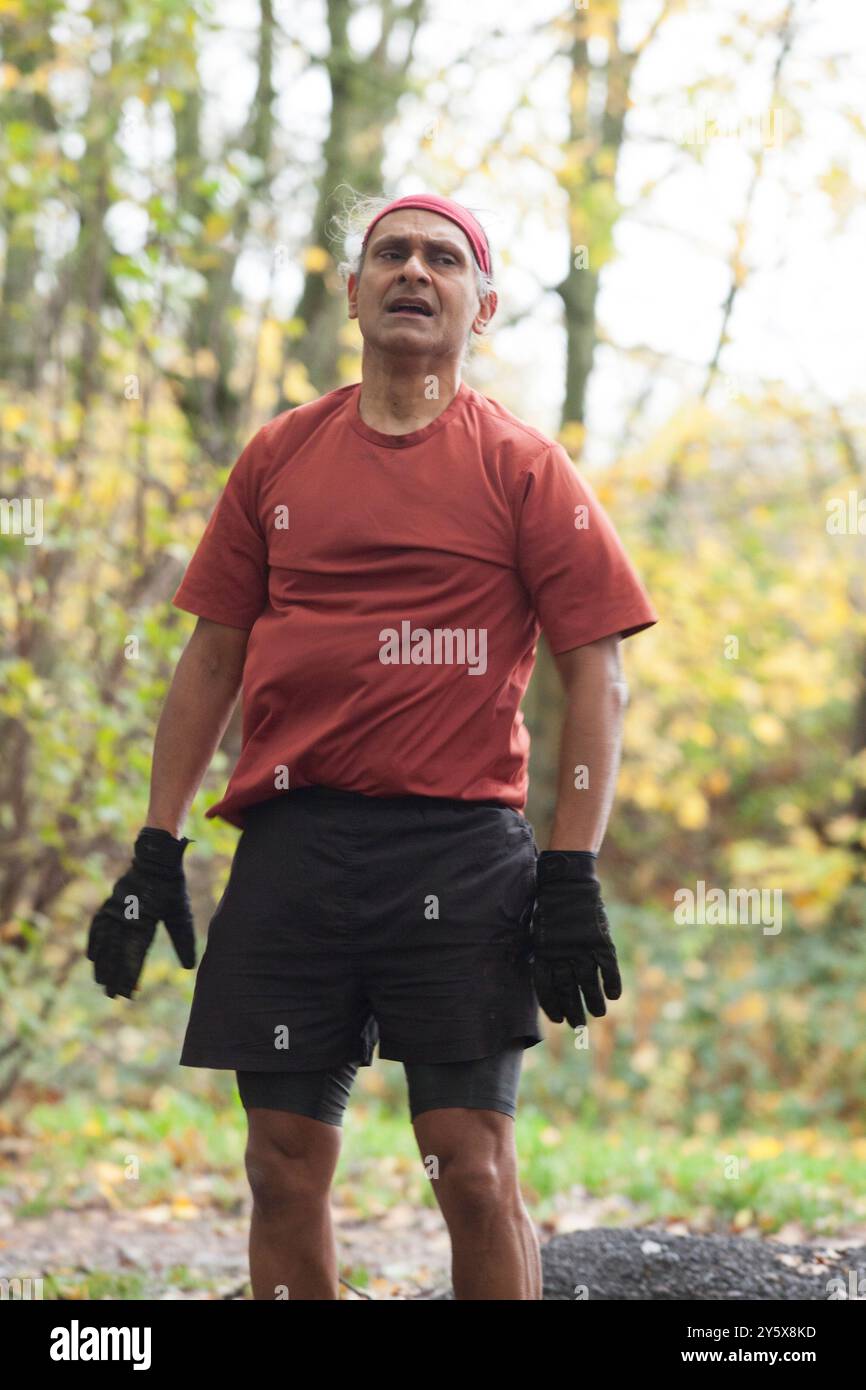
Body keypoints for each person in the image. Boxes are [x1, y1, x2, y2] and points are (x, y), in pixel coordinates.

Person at [87, 190, 659, 1301]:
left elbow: (597, 668)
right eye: (388, 253)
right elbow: (211, 657)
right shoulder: (277, 458)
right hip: (295, 849)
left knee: (472, 1165)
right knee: (281, 1163)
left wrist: (571, 867)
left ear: (479, 306)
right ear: (351, 293)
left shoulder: (524, 469)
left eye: (441, 259)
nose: (412, 270)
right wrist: (155, 846)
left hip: (460, 850)